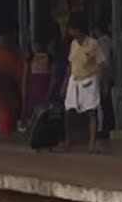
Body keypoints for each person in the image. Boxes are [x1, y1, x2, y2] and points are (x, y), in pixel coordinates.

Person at [62, 20, 107, 153]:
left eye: (73, 30)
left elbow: (101, 64)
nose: (71, 33)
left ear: (79, 30)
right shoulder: (73, 44)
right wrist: (65, 82)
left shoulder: (93, 43)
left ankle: (92, 143)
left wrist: (102, 83)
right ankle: (68, 139)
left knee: (92, 112)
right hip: (74, 79)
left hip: (89, 79)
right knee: (68, 111)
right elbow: (70, 64)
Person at [21, 40, 53, 124]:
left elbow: (52, 72)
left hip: (44, 83)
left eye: (37, 43)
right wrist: (24, 88)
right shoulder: (29, 59)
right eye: (33, 44)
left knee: (44, 105)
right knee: (32, 105)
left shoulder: (49, 57)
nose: (36, 46)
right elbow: (25, 75)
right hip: (33, 84)